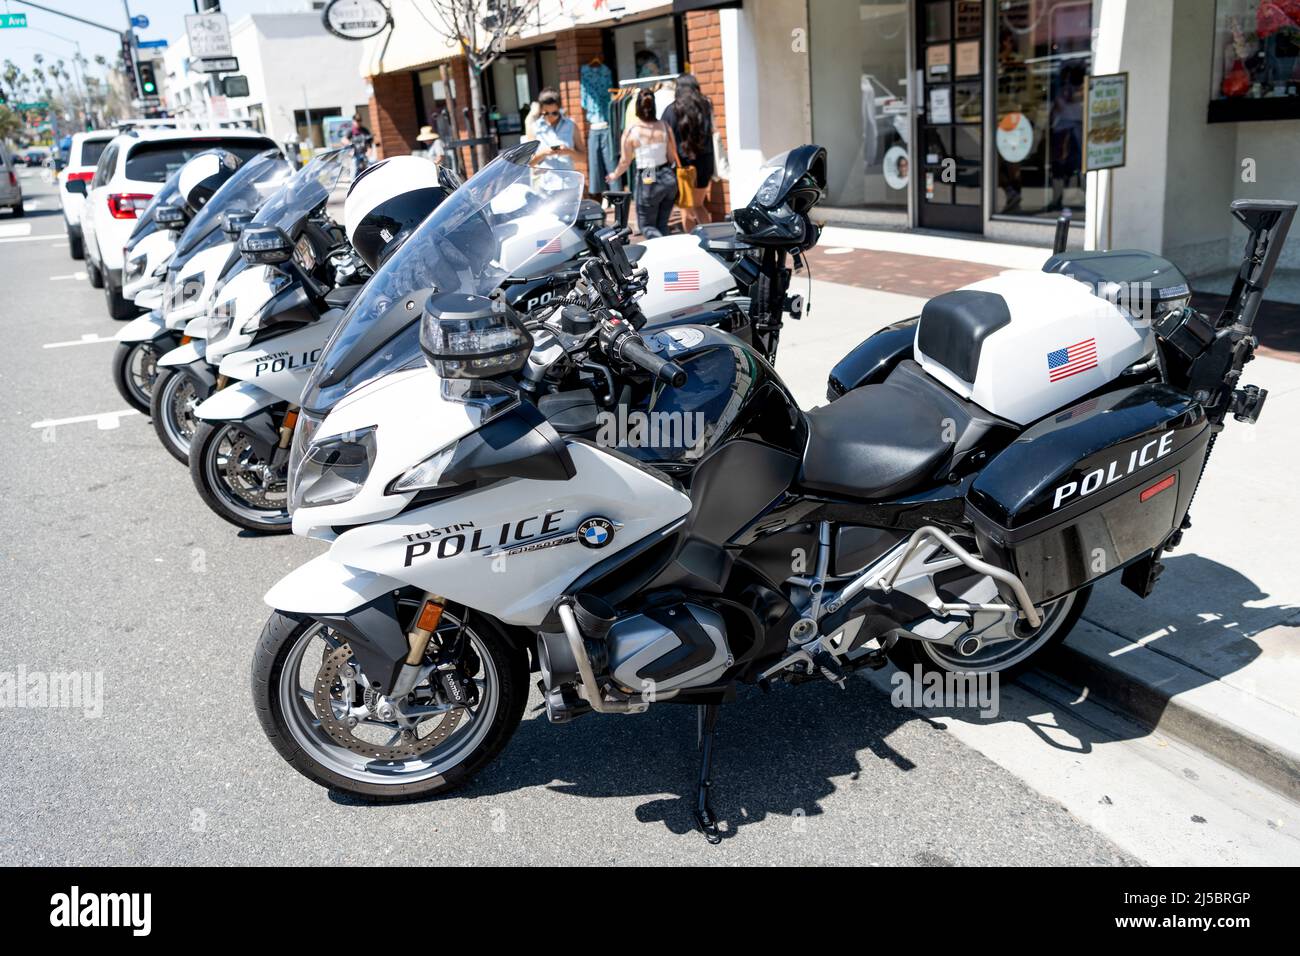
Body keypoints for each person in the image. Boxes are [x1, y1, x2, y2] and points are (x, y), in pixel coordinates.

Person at [607, 87, 679, 238]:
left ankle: (660, 256)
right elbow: (672, 156)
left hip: (648, 174)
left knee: (646, 225)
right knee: (662, 224)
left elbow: (625, 161)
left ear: (637, 107)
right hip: (667, 175)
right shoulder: (665, 126)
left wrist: (614, 175)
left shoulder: (632, 130)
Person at [660, 73, 715, 231]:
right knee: (698, 205)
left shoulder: (670, 110)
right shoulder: (706, 107)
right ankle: (711, 240)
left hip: (682, 167)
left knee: (686, 207)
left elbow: (666, 140)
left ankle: (691, 243)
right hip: (705, 162)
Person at [529, 88, 584, 172]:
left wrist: (569, 151)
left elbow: (583, 157)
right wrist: (543, 153)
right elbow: (528, 163)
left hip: (569, 182)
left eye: (554, 113)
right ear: (541, 110)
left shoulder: (571, 125)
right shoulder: (534, 128)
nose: (550, 116)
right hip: (546, 183)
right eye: (546, 113)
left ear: (559, 109)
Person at [344, 114, 372, 178]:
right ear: (353, 121)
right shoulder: (351, 131)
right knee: (354, 171)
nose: (358, 122)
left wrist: (369, 151)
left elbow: (369, 143)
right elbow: (344, 139)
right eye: (356, 121)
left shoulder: (365, 130)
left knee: (368, 170)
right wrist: (350, 144)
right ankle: (353, 184)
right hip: (355, 155)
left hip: (364, 154)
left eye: (359, 120)